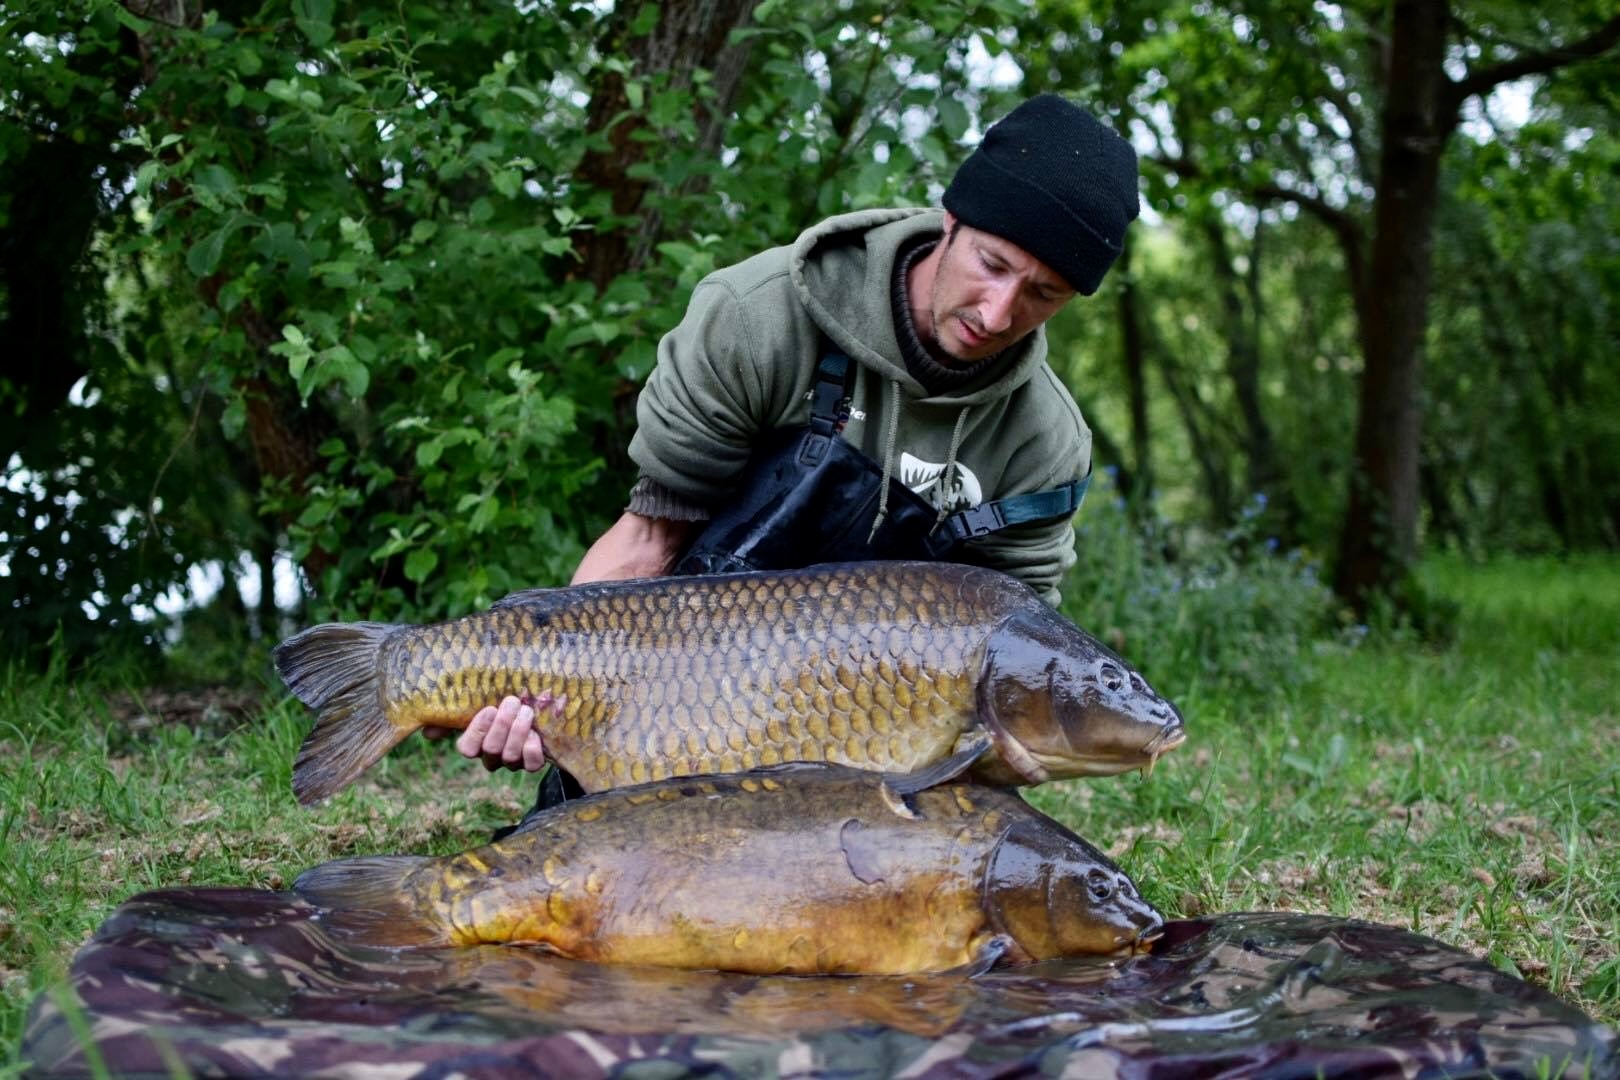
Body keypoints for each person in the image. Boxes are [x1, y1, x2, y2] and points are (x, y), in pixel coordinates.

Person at [446, 93, 1141, 790]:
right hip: (680, 702)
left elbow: (1014, 649)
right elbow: (647, 541)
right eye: (992, 264)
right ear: (951, 222)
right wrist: (540, 686)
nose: (998, 314)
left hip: (886, 752)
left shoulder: (1045, 445)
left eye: (1042, 294)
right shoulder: (756, 319)